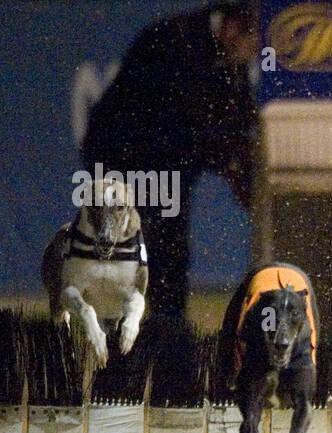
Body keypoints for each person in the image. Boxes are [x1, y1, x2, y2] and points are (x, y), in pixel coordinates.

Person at [81, 1, 260, 324]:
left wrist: (247, 171)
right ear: (233, 28)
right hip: (123, 161)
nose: (255, 54)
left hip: (166, 166)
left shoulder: (225, 55)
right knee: (140, 259)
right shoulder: (173, 44)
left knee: (170, 259)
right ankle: (134, 346)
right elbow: (188, 129)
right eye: (254, 42)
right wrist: (232, 167)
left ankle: (167, 340)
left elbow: (235, 122)